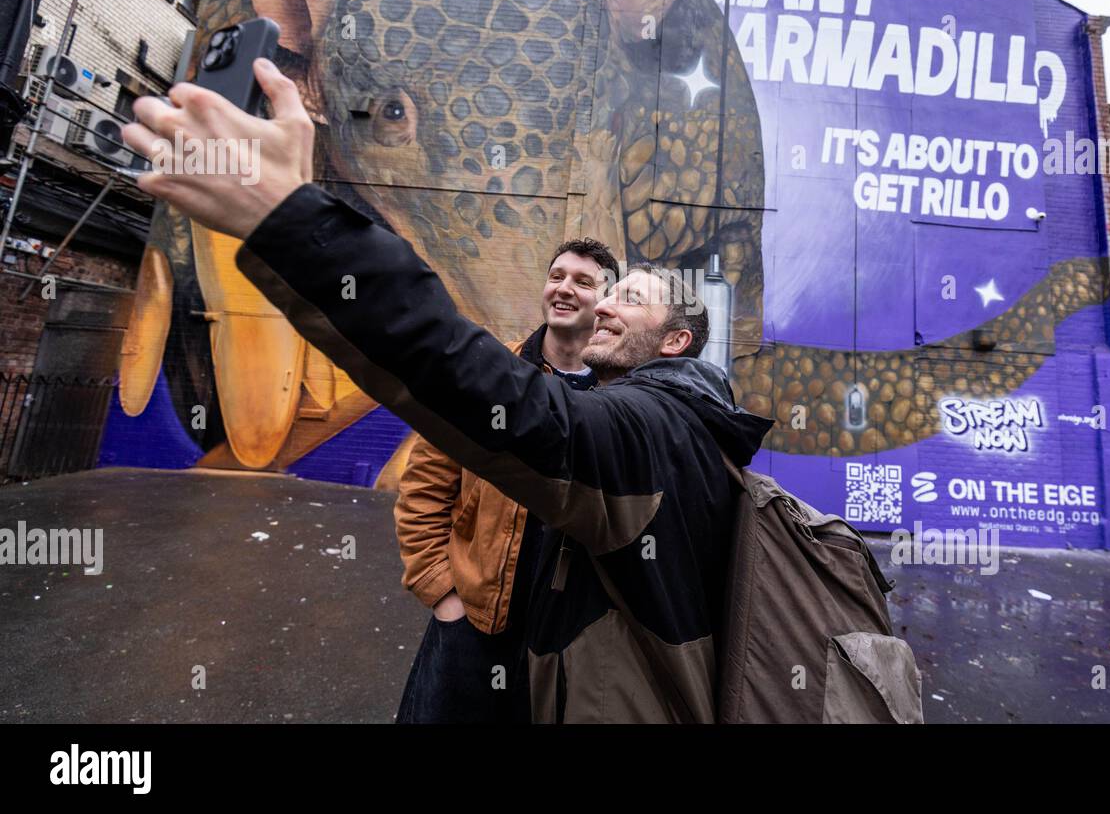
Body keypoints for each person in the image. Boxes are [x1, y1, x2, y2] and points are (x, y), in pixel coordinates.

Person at [123, 59, 772, 722]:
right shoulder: (679, 414)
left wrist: (295, 223)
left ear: (674, 342)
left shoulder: (648, 424)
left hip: (564, 669)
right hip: (493, 637)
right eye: (562, 277)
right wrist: (443, 590)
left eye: (622, 296)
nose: (590, 302)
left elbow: (481, 387)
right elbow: (434, 475)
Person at [395, 237, 617, 724]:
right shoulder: (489, 375)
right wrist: (442, 594)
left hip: (561, 638)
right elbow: (424, 487)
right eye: (556, 276)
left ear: (606, 301)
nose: (564, 289)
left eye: (583, 282)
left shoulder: (618, 399)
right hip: (474, 621)